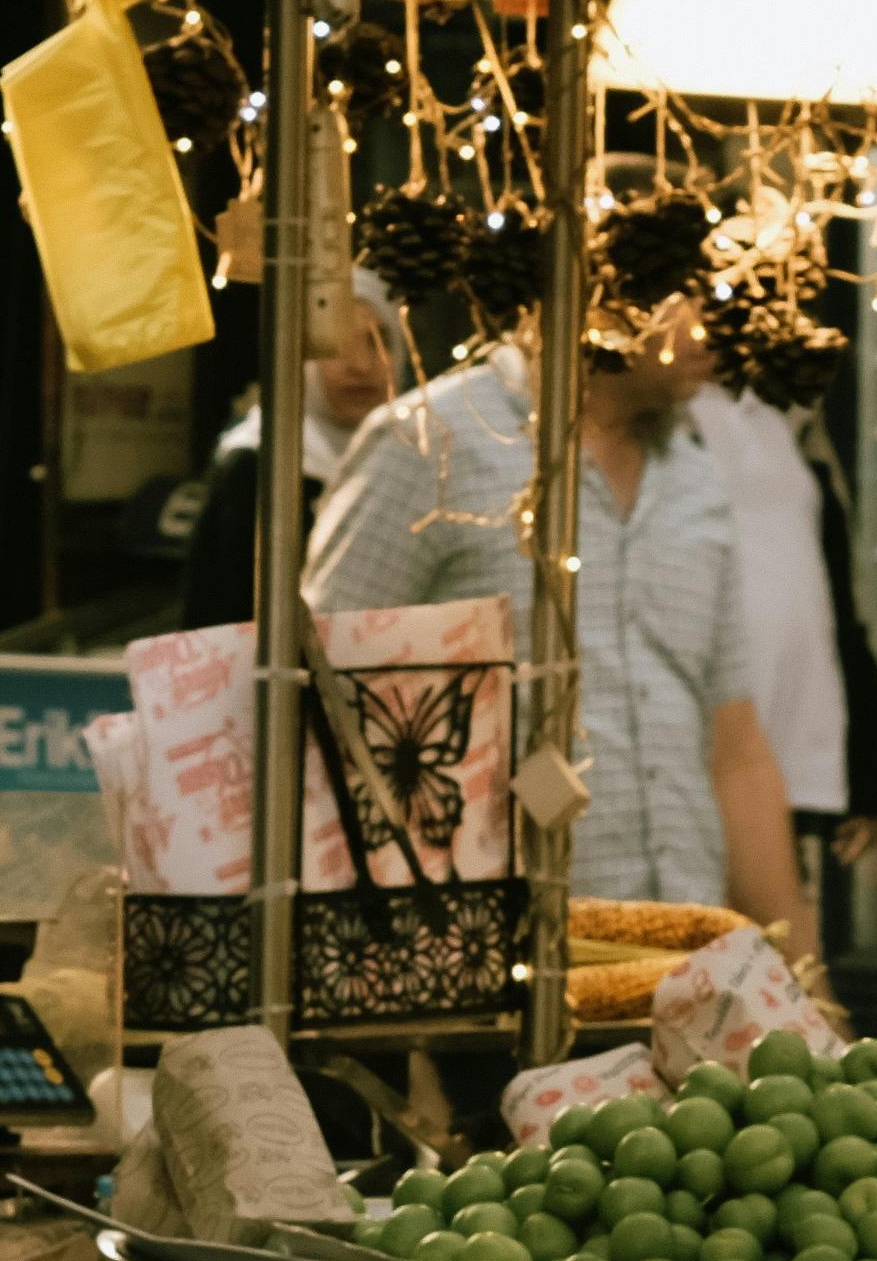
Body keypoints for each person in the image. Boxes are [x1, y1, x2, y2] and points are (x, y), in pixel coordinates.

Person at [306, 303, 800, 933]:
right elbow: (317, 689)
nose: (717, 320)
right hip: (475, 946)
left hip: (678, 953)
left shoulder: (696, 474)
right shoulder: (429, 437)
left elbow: (735, 746)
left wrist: (804, 978)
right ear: (608, 291)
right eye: (690, 295)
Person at [690, 378, 877, 911]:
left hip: (794, 737)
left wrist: (867, 766)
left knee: (778, 947)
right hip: (701, 747)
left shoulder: (791, 423)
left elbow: (841, 600)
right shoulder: (669, 422)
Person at [174, 273, 394, 644]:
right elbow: (215, 621)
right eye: (337, 344)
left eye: (378, 342)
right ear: (301, 354)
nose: (361, 365)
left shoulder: (412, 461)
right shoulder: (259, 466)